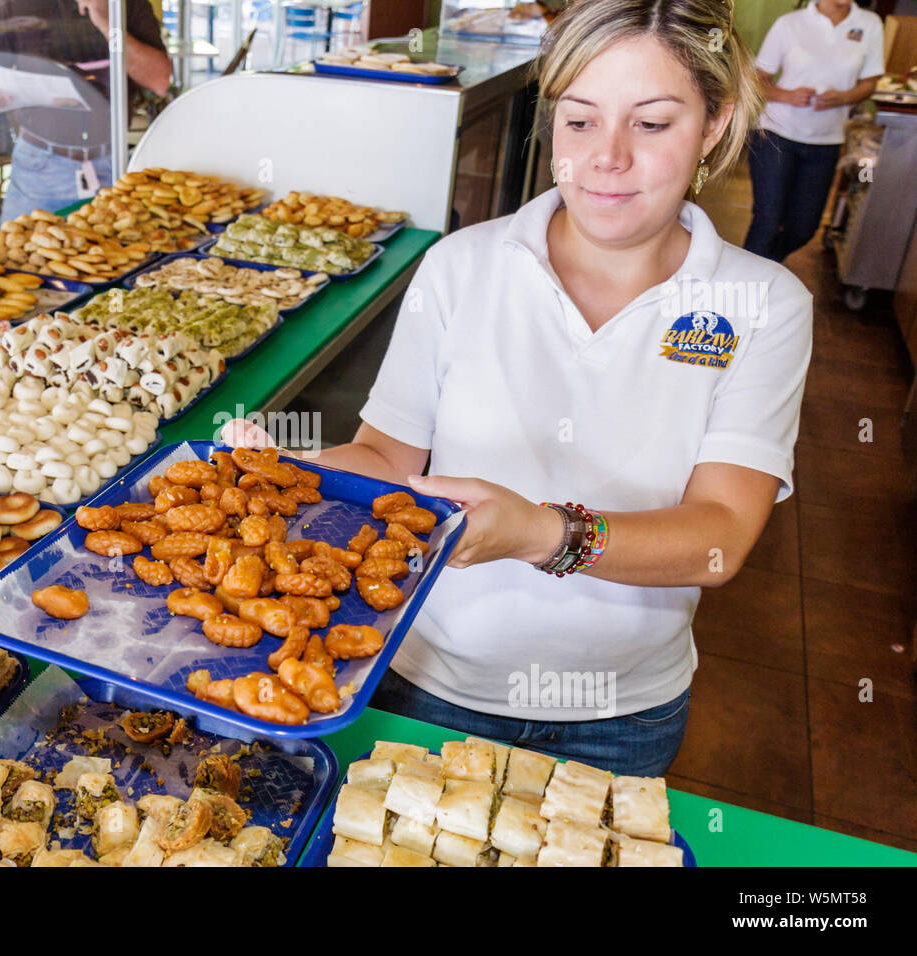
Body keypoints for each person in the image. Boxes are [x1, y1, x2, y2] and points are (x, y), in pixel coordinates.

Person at [223, 0, 813, 777]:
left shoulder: (763, 303)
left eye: (652, 123)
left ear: (713, 124)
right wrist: (292, 475)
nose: (606, 157)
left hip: (619, 715)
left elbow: (718, 540)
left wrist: (542, 534)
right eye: (579, 120)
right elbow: (387, 457)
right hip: (424, 678)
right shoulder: (462, 266)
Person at [0, 0, 171, 221]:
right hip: (39, 166)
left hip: (111, 163)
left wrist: (106, 22)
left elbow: (159, 81)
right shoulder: (17, 4)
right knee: (13, 253)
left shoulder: (124, 4)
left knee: (115, 254)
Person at [743, 0, 884, 262]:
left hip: (826, 142)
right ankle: (746, 291)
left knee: (804, 228)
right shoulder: (790, 23)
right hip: (776, 136)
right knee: (767, 222)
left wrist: (844, 97)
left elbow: (869, 83)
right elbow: (757, 81)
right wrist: (787, 95)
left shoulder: (870, 24)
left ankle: (764, 268)